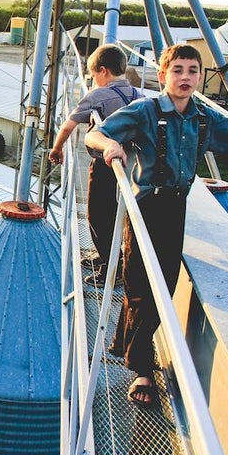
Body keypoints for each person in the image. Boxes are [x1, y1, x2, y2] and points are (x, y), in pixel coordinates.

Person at [84, 43, 228, 408]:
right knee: (140, 286)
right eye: (177, 70)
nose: (185, 77)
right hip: (145, 207)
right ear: (162, 76)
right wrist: (110, 145)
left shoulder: (203, 117)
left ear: (199, 76)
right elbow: (95, 134)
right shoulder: (145, 110)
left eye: (192, 70)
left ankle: (127, 348)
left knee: (162, 283)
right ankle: (142, 369)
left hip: (176, 207)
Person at [48, 44, 141, 285]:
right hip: (130, 167)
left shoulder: (99, 95)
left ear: (103, 71)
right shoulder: (138, 96)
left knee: (98, 215)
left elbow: (69, 124)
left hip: (104, 165)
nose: (93, 80)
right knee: (115, 214)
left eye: (93, 75)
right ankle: (106, 258)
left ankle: (112, 269)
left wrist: (57, 149)